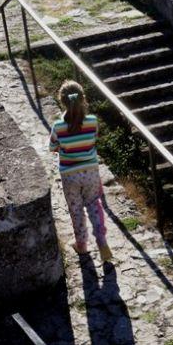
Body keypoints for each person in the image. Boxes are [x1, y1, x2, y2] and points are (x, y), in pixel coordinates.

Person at [49, 81, 113, 262]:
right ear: (83, 99)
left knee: (76, 209)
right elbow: (93, 140)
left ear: (62, 102)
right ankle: (101, 240)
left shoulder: (58, 126)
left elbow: (52, 147)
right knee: (94, 204)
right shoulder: (92, 122)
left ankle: (82, 245)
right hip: (91, 171)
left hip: (70, 174)